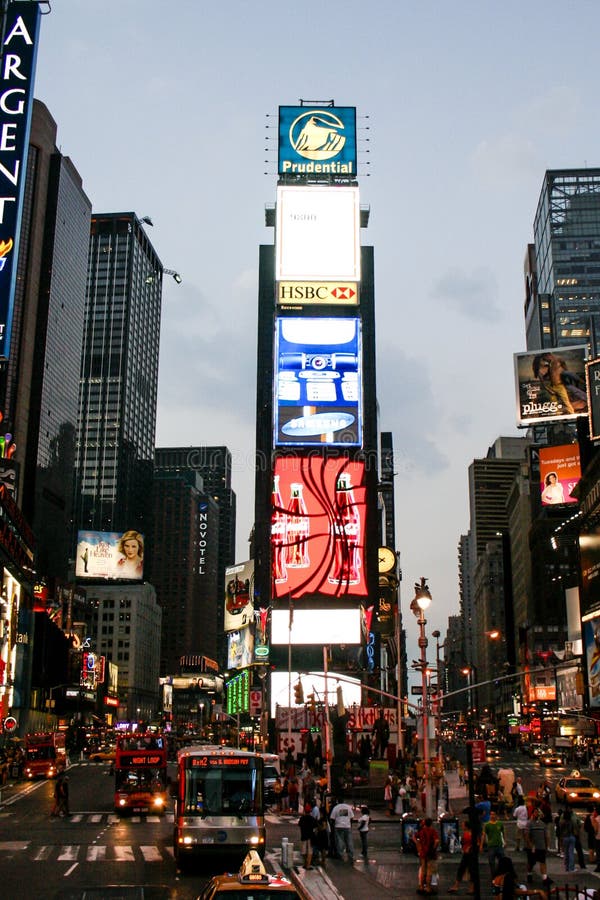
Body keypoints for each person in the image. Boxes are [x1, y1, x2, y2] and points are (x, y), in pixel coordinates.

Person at [448, 820, 476, 894]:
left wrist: (469, 848)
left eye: (463, 825)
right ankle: (456, 886)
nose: (462, 826)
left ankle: (471, 888)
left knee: (471, 871)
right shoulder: (465, 833)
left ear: (466, 826)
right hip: (466, 854)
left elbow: (476, 843)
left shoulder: (471, 833)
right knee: (461, 869)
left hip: (471, 854)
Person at [525, 806, 550, 888]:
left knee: (543, 862)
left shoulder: (543, 824)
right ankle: (529, 874)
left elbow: (546, 835)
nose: (537, 814)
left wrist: (547, 845)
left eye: (538, 812)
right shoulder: (529, 823)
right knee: (531, 863)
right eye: (535, 812)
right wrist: (530, 845)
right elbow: (527, 835)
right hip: (532, 848)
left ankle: (544, 878)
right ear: (532, 814)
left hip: (541, 847)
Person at [415, 817, 440, 894]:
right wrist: (434, 848)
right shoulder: (432, 831)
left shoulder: (421, 831)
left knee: (423, 870)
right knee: (430, 871)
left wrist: (418, 847)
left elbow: (415, 838)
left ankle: (422, 887)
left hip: (423, 852)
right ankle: (428, 888)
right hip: (430, 853)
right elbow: (437, 840)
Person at [329, 796, 354, 863]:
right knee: (349, 841)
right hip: (347, 826)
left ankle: (340, 854)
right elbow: (352, 817)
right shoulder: (348, 807)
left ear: (338, 801)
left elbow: (332, 818)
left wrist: (333, 826)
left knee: (339, 841)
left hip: (338, 826)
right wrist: (350, 825)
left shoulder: (336, 808)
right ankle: (350, 854)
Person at [483, 809, 505, 878]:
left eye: (493, 814)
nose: (492, 816)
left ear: (496, 815)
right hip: (491, 846)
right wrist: (481, 845)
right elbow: (483, 835)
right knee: (491, 863)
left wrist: (504, 841)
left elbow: (503, 832)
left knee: (502, 861)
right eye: (491, 814)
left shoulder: (500, 823)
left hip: (499, 845)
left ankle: (501, 875)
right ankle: (494, 876)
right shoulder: (487, 825)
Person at [298, 802, 315, 869]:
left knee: (304, 851)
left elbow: (299, 825)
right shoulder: (312, 819)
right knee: (310, 851)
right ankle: (308, 864)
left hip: (304, 836)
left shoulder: (302, 818)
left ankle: (305, 863)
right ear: (310, 811)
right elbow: (315, 827)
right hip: (310, 837)